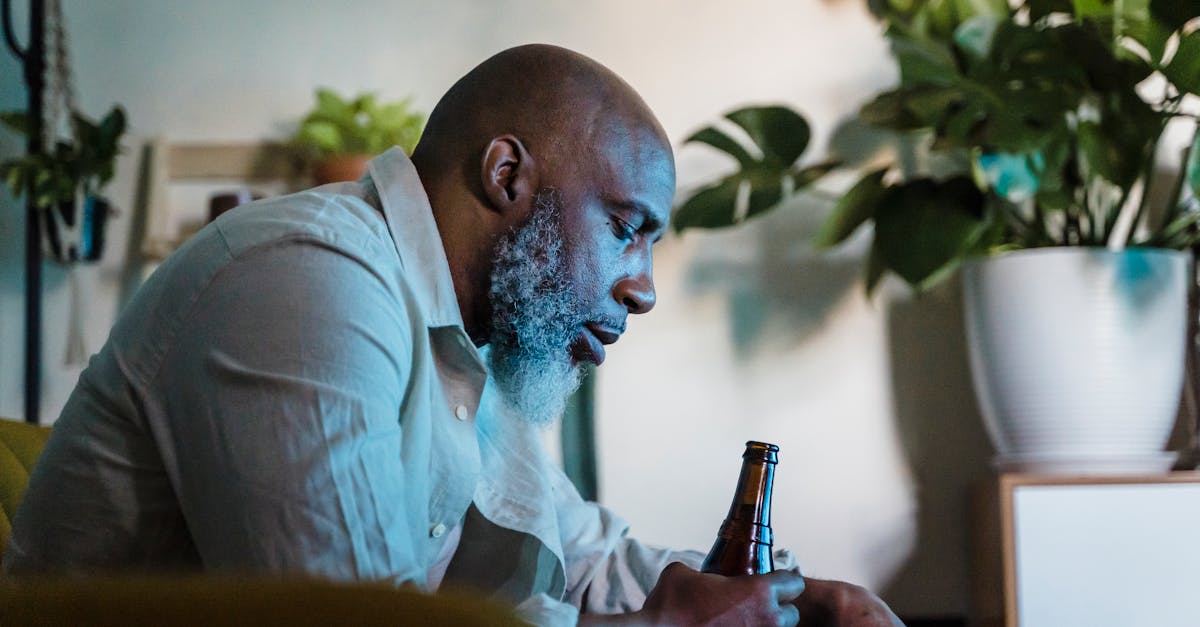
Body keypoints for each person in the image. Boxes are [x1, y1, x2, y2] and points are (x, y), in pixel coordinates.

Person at [7, 44, 902, 626]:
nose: (642, 288)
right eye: (628, 226)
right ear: (506, 173)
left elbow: (586, 556)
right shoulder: (309, 280)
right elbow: (349, 620)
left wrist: (795, 597)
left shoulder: (471, 355)